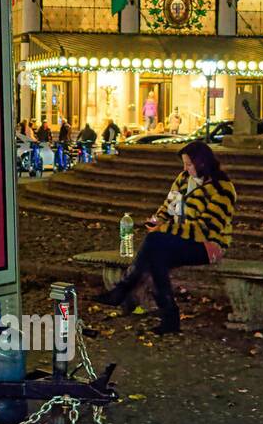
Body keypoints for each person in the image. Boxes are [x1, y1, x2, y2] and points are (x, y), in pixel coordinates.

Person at [94, 141, 237, 334]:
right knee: (156, 257)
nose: (185, 169)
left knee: (155, 242)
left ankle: (124, 289)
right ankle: (169, 318)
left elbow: (206, 229)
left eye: (189, 164)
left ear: (202, 163)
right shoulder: (184, 179)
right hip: (177, 240)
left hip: (208, 245)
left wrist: (164, 228)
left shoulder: (222, 189)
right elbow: (169, 207)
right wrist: (156, 220)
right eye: (184, 164)